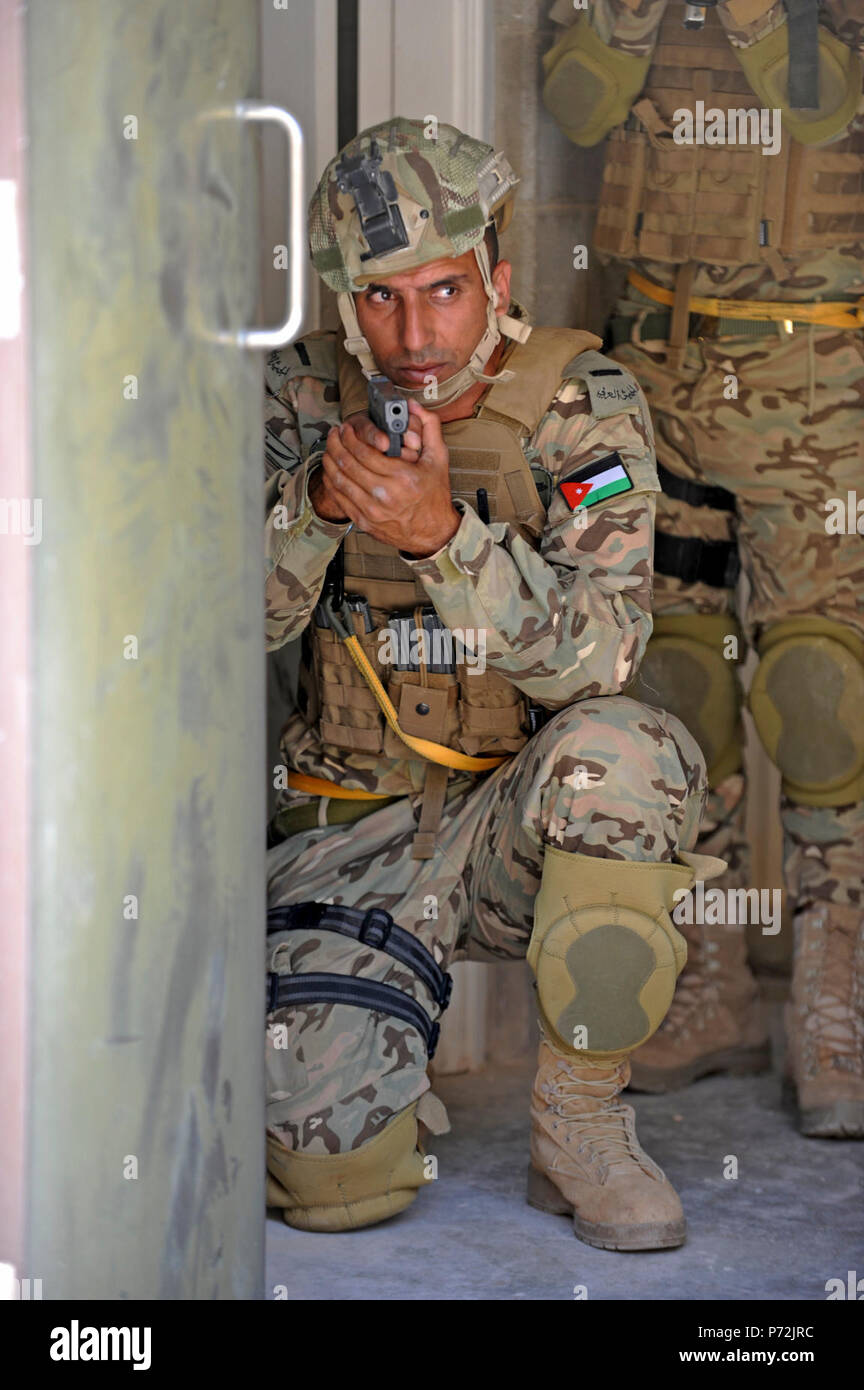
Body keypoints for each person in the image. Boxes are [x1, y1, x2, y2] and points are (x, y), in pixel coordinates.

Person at [262, 115, 718, 1250]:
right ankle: (374, 1047)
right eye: (377, 298)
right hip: (344, 834)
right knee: (338, 1186)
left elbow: (602, 652)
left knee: (632, 754)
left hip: (512, 828)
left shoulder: (584, 404)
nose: (412, 335)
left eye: (443, 292)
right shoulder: (298, 397)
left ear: (495, 278)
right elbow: (203, 634)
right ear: (339, 297)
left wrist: (438, 538)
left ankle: (579, 1124)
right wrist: (316, 512)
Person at [541, 0, 864, 1137]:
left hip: (812, 373)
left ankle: (837, 1007)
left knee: (822, 692)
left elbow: (826, 103)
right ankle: (712, 982)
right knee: (676, 682)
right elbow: (575, 105)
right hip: (660, 367)